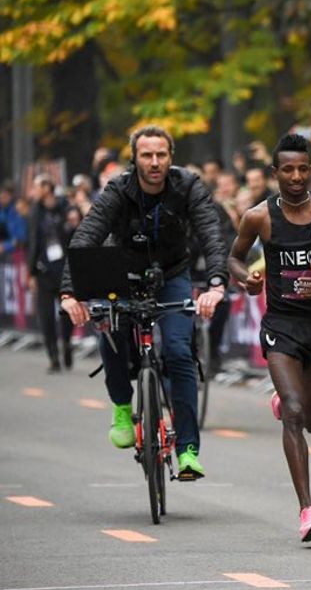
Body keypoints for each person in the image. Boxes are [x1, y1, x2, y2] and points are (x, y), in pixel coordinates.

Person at [60, 125, 228, 480]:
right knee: (109, 329)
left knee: (180, 353)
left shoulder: (189, 186)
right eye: (147, 155)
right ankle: (122, 405)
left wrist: (215, 283)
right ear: (134, 158)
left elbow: (211, 233)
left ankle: (187, 449)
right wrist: (69, 292)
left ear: (171, 157)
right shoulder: (119, 189)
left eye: (161, 155)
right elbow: (87, 235)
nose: (154, 162)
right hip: (122, 272)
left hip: (172, 274)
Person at [227, 133, 311, 541]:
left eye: (303, 168)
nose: (296, 176)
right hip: (282, 325)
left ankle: (287, 399)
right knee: (293, 412)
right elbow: (233, 257)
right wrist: (247, 280)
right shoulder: (259, 217)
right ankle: (307, 510)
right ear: (275, 173)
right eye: (287, 169)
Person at [26, 176, 76, 373]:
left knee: (66, 314)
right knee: (45, 316)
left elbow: (76, 233)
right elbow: (32, 242)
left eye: (37, 187)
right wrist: (30, 273)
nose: (34, 191)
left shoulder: (65, 207)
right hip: (43, 270)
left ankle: (67, 344)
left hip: (65, 270)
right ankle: (53, 356)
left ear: (47, 188)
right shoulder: (35, 212)